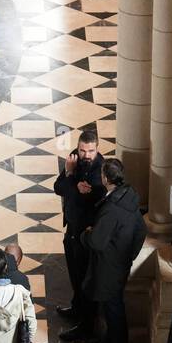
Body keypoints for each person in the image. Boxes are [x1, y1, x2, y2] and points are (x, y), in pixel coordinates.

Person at [76, 158, 147, 343]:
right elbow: (141, 231)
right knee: (111, 309)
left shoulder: (112, 209)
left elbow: (97, 242)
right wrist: (129, 256)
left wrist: (85, 234)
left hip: (109, 267)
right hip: (121, 263)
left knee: (114, 312)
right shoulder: (130, 197)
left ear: (105, 178)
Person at [55, 129, 104, 328]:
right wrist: (69, 173)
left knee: (85, 277)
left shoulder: (100, 169)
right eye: (82, 150)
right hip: (72, 228)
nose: (86, 155)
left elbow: (85, 199)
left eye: (90, 151)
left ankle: (86, 323)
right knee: (74, 273)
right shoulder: (73, 161)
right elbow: (58, 188)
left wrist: (72, 185)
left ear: (97, 148)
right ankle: (76, 307)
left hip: (87, 233)